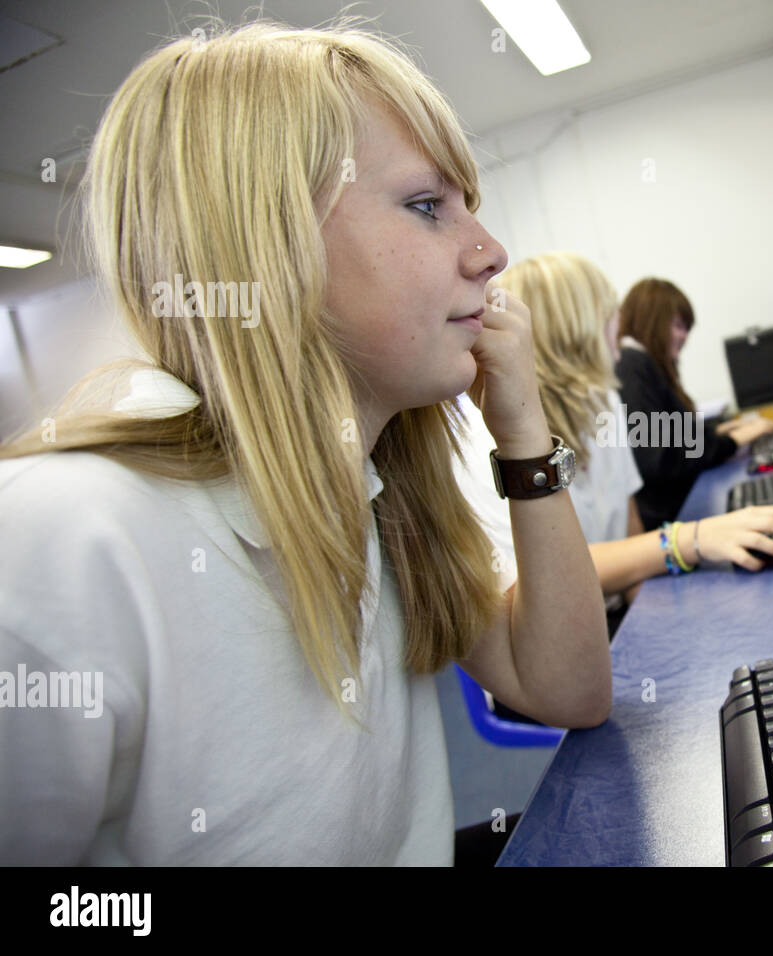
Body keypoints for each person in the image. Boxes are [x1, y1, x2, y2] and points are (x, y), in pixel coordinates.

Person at [0, 21, 609, 866]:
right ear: (270, 244)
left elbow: (568, 690)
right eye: (429, 206)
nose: (491, 252)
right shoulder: (59, 537)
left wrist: (524, 436)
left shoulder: (380, 484)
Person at [453, 253, 773, 642]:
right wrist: (689, 540)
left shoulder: (602, 402)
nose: (620, 330)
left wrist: (664, 629)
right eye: (610, 315)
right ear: (575, 328)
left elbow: (629, 529)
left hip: (616, 614)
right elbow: (540, 577)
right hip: (559, 640)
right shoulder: (492, 436)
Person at [615, 277, 773, 529]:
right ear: (653, 321)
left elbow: (675, 435)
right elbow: (659, 459)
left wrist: (720, 432)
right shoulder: (632, 364)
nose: (684, 336)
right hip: (668, 523)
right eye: (679, 325)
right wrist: (732, 442)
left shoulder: (643, 365)